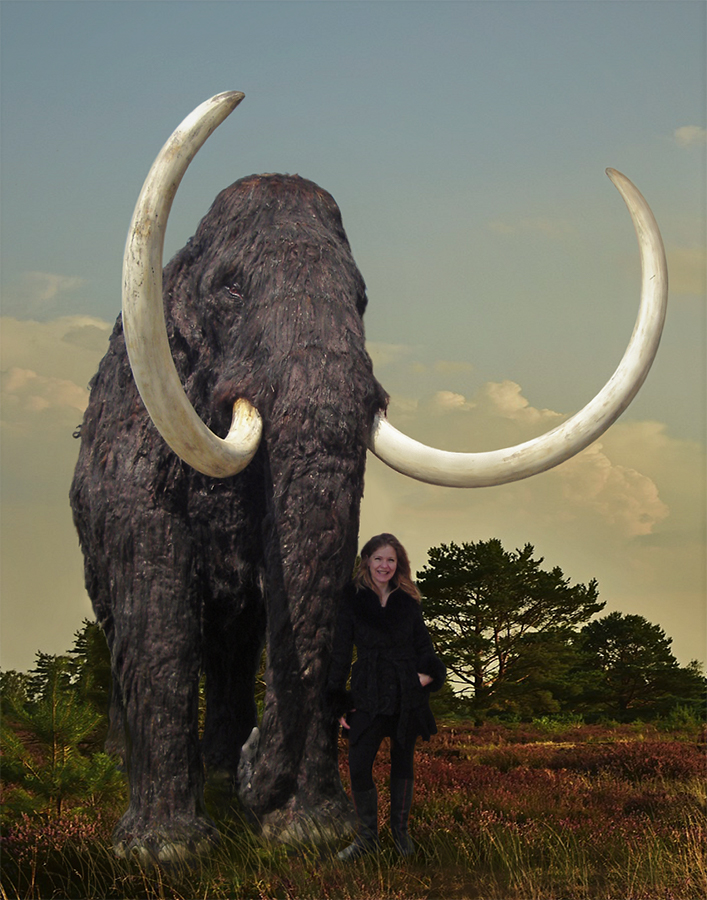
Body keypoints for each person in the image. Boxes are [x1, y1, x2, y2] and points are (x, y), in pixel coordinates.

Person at [326, 533, 446, 860]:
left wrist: (427, 674)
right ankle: (366, 839)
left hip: (405, 692)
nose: (384, 565)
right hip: (367, 690)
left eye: (391, 559)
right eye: (378, 558)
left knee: (402, 762)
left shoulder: (408, 600)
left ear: (399, 564)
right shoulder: (351, 598)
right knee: (359, 764)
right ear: (367, 561)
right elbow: (340, 652)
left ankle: (401, 836)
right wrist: (337, 697)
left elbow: (423, 646)